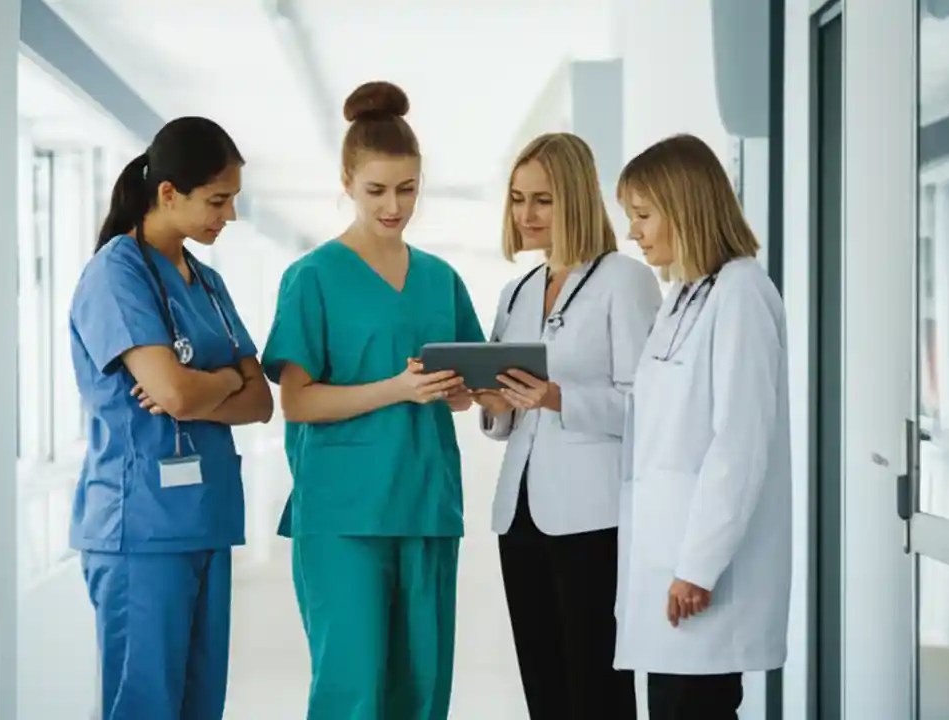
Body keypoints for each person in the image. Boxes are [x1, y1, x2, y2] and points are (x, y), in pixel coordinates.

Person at [261, 81, 485, 720]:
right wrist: (398, 388)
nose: (394, 206)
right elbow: (298, 403)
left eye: (407, 189)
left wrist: (471, 387)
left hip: (426, 503)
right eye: (377, 190)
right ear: (347, 180)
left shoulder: (442, 279)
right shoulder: (312, 278)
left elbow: (464, 396)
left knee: (422, 690)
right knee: (353, 689)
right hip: (343, 514)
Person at [67, 116, 274, 720]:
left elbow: (260, 403)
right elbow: (176, 397)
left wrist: (208, 385)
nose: (228, 216)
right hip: (142, 529)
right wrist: (226, 380)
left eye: (231, 200)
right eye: (217, 200)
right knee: (147, 706)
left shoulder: (206, 282)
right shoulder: (117, 273)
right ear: (167, 193)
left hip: (205, 521)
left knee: (199, 706)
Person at [472, 132, 660, 720]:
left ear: (575, 199)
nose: (524, 214)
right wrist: (492, 402)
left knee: (595, 689)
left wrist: (560, 397)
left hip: (590, 517)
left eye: (542, 200)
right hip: (520, 513)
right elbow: (507, 412)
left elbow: (647, 408)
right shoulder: (517, 291)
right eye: (517, 198)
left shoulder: (624, 281)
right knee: (544, 687)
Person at [612, 133, 792, 719]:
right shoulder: (684, 294)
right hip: (666, 560)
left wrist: (697, 566)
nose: (634, 232)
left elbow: (739, 444)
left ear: (685, 207)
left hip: (701, 572)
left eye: (643, 215)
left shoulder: (742, 293)